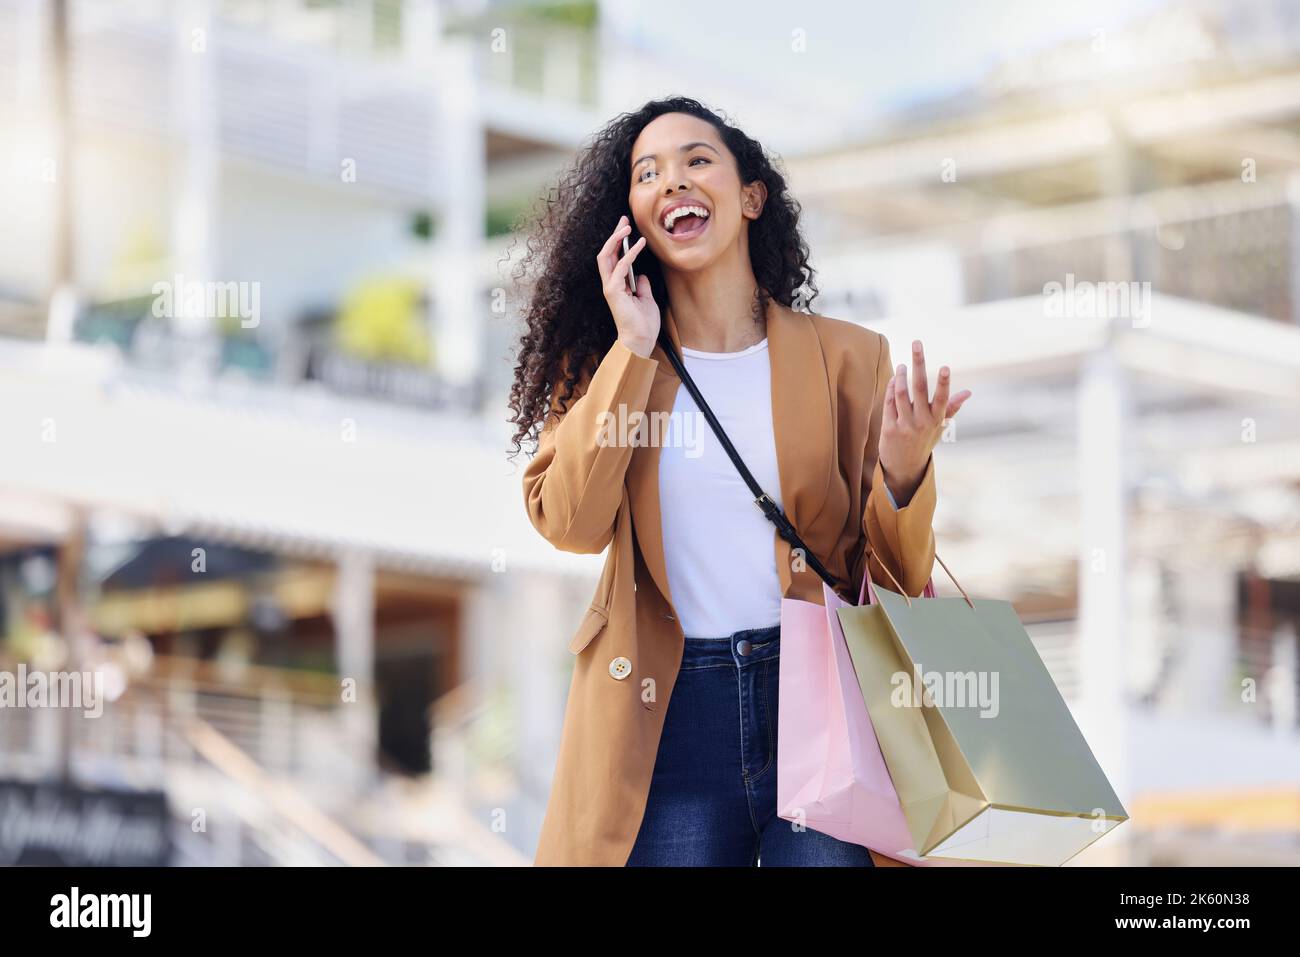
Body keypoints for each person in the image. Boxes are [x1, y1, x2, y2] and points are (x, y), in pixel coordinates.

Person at [507, 96, 971, 866]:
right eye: (646, 173)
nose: (672, 182)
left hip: (821, 701)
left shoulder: (850, 358)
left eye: (697, 161)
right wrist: (631, 347)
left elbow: (894, 576)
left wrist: (904, 469)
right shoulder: (608, 367)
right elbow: (568, 521)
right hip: (667, 711)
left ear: (751, 196)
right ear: (631, 216)